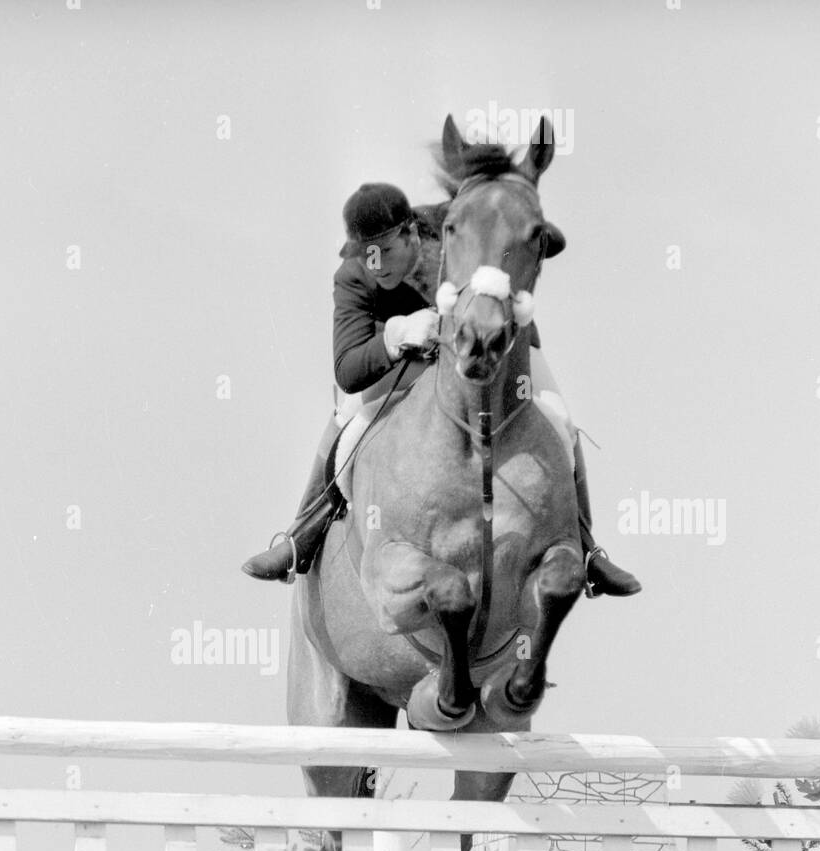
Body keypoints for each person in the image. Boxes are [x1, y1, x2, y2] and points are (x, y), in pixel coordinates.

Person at [241, 182, 640, 598]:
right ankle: (301, 536)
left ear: (413, 233)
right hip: (409, 363)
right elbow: (347, 368)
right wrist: (396, 338)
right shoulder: (353, 277)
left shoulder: (453, 233)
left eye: (386, 250)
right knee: (347, 418)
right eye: (367, 253)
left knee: (558, 413)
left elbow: (528, 232)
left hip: (498, 350)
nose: (376, 265)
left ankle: (587, 548)